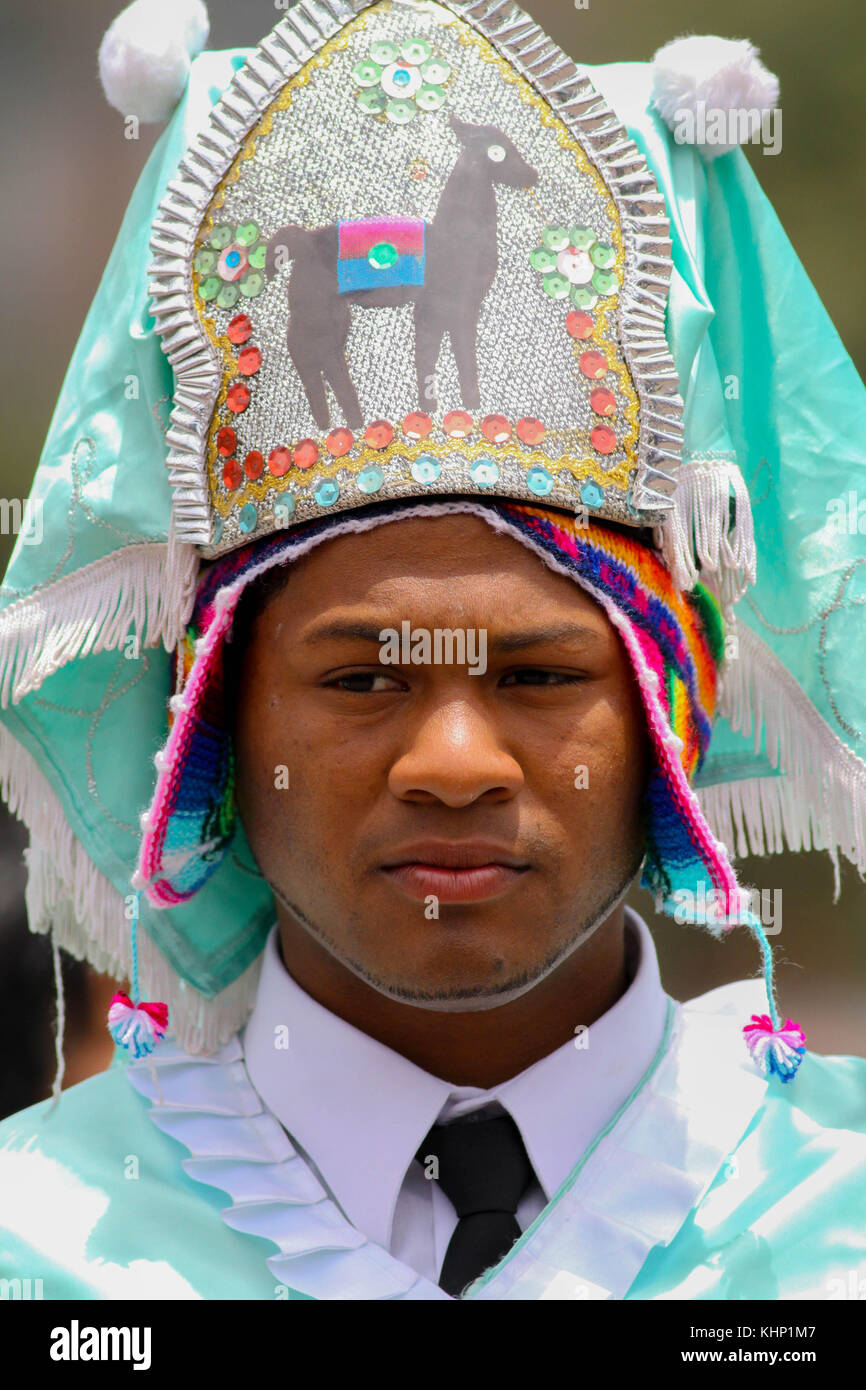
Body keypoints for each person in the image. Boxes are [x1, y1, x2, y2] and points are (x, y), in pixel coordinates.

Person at [0, 0, 864, 1302]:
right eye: (360, 678)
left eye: (537, 675)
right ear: (214, 720)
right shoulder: (43, 1245)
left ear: (672, 714)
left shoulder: (834, 1219)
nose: (451, 762)